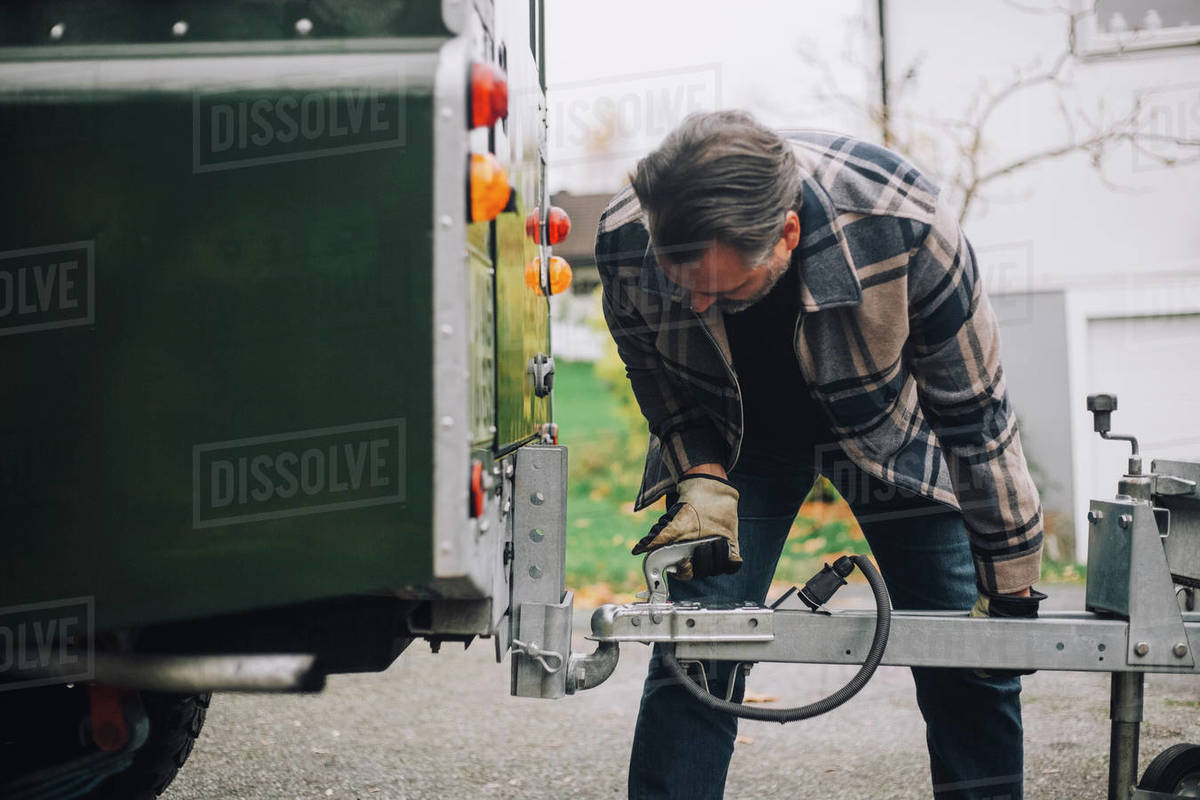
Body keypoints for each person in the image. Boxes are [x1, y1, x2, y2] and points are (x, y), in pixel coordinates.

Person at [593, 110, 1047, 800]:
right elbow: (651, 371)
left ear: (788, 235)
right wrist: (701, 475)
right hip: (737, 437)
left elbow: (976, 420)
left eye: (722, 290)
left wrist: (1011, 585)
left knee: (968, 658)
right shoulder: (629, 236)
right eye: (683, 285)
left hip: (885, 433)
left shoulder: (909, 228)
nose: (697, 302)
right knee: (699, 647)